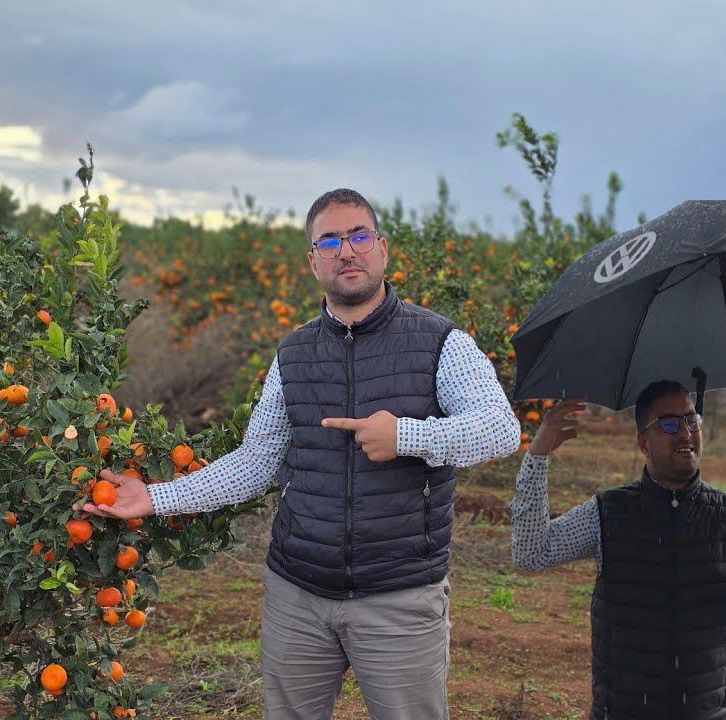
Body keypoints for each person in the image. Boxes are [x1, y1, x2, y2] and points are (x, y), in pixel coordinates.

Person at [90, 188, 521, 719]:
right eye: (331, 240)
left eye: (359, 236)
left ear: (382, 249)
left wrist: (408, 436)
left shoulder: (439, 342)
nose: (348, 250)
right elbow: (257, 461)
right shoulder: (293, 352)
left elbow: (501, 430)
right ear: (312, 260)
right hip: (297, 594)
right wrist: (155, 497)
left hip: (399, 597)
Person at [511, 382, 726, 720]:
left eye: (691, 420)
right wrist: (537, 457)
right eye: (668, 424)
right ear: (643, 443)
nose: (685, 433)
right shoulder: (608, 513)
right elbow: (531, 553)